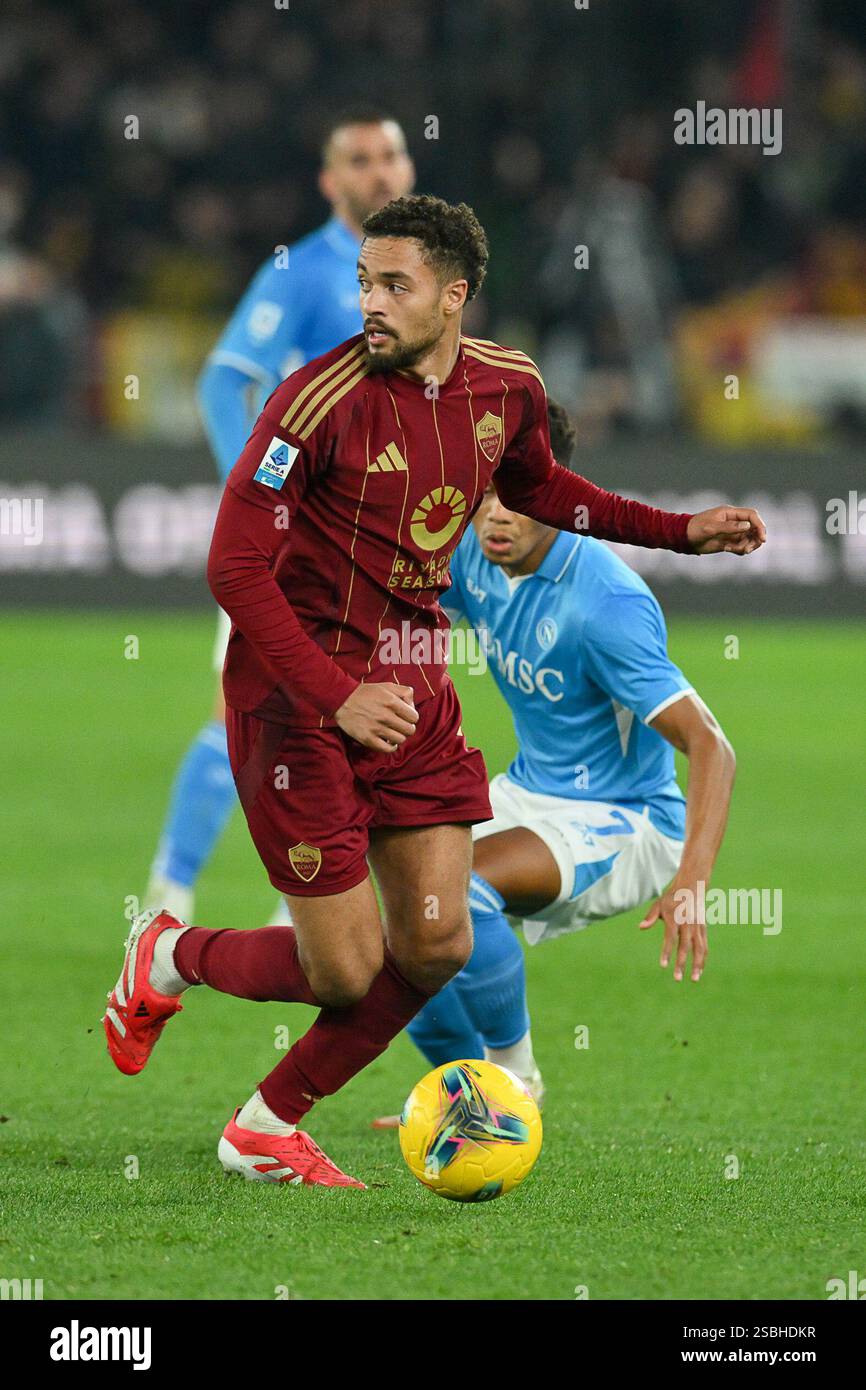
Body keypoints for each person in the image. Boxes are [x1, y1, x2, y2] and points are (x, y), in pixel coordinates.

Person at [103, 195, 765, 1189]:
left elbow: (551, 494)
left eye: (394, 285)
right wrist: (334, 696)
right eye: (364, 282)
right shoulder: (311, 403)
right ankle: (168, 952)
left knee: (437, 938)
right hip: (297, 703)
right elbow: (234, 569)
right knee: (339, 967)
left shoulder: (506, 388)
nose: (369, 301)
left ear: (454, 296)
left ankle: (263, 1125)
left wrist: (679, 533)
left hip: (411, 698)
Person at [373, 398, 736, 1125]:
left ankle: (516, 1085)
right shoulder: (474, 551)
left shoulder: (606, 604)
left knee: (461, 895)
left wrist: (694, 879)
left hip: (626, 820)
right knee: (409, 926)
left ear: (555, 488)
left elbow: (711, 746)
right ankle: (471, 1103)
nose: (496, 516)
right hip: (528, 792)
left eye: (518, 496)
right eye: (485, 495)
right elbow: (396, 607)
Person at [144, 108, 415, 925]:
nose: (380, 172)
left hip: (386, 548)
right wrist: (257, 496)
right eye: (361, 160)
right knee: (252, 719)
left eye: (392, 156)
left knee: (379, 720)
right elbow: (224, 380)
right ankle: (168, 893)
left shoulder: (424, 275)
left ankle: (309, 902)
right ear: (333, 183)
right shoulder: (305, 271)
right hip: (301, 550)